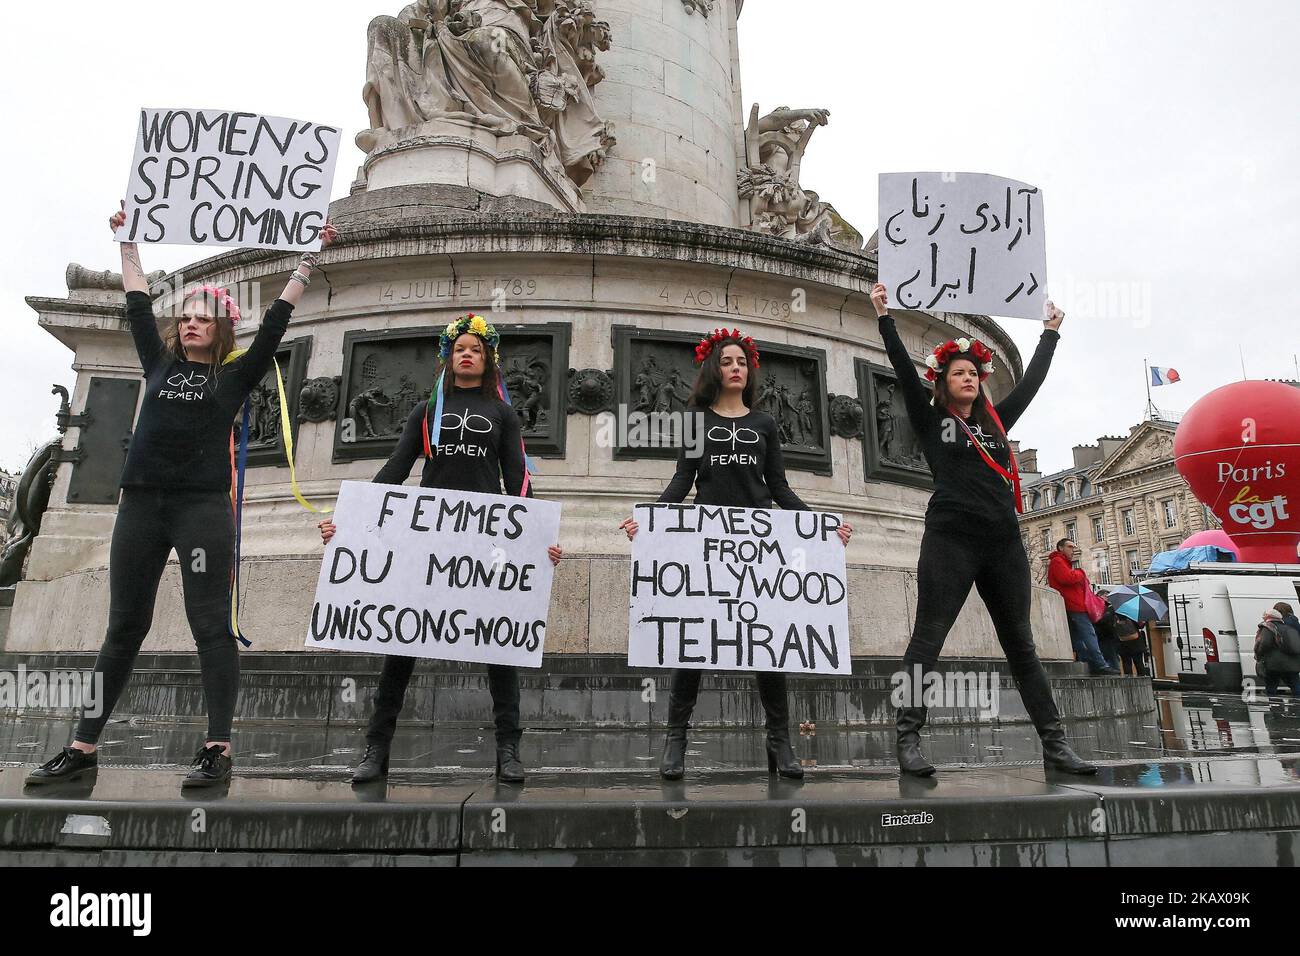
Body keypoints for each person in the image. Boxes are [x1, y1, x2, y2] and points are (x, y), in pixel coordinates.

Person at [26, 202, 338, 788]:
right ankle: (83, 745)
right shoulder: (158, 364)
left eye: (205, 318)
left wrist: (308, 259)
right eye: (188, 317)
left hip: (200, 510)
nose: (193, 323)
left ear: (221, 329)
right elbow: (138, 301)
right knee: (124, 627)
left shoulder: (234, 376)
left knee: (210, 625)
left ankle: (217, 748)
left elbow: (274, 322)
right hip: (141, 507)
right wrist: (127, 243)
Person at [319, 314, 562, 784]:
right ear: (448, 358)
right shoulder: (426, 411)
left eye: (474, 348)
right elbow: (397, 466)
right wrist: (350, 518)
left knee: (500, 645)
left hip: (486, 540)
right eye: (458, 349)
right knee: (401, 644)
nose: (466, 354)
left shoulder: (503, 414)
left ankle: (508, 748)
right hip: (429, 537)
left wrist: (537, 540)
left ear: (487, 357)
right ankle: (377, 748)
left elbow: (518, 481)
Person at [870, 281, 1098, 775]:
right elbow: (904, 374)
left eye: (974, 372)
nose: (969, 378)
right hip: (951, 538)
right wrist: (885, 318)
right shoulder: (933, 422)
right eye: (959, 372)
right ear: (944, 381)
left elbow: (1030, 385)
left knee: (1022, 644)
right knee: (927, 638)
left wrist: (1050, 335)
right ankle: (907, 738)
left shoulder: (997, 423)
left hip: (1003, 543)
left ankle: (1055, 746)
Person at [620, 328, 853, 780]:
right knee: (695, 647)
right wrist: (649, 521)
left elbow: (779, 487)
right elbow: (682, 482)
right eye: (728, 362)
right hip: (707, 544)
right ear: (714, 368)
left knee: (768, 647)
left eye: (742, 363)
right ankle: (677, 739)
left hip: (760, 543)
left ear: (750, 372)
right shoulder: (696, 421)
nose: (735, 368)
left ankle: (779, 740)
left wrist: (821, 528)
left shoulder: (764, 424)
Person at [1048, 540, 1120, 675]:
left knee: (1078, 637)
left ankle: (1088, 662)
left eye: (1074, 547)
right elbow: (1067, 578)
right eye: (1069, 547)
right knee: (1088, 634)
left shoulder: (1061, 562)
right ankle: (1100, 664)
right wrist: (1080, 572)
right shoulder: (1058, 561)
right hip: (1075, 605)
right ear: (1060, 548)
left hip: (1070, 605)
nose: (1073, 550)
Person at [1254, 607, 1300, 697]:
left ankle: (1274, 708)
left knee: (1271, 686)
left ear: (1269, 617)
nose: (1263, 617)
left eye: (1265, 616)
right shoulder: (1289, 628)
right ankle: (1297, 705)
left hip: (1274, 664)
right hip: (1292, 664)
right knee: (1295, 686)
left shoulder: (1268, 628)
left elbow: (1265, 643)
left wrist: (1259, 654)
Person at [1094, 601, 1122, 671]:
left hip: (1107, 636)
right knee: (1111, 656)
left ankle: (1115, 671)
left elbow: (1104, 621)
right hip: (1108, 636)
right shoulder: (1110, 609)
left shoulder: (1109, 609)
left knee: (1111, 656)